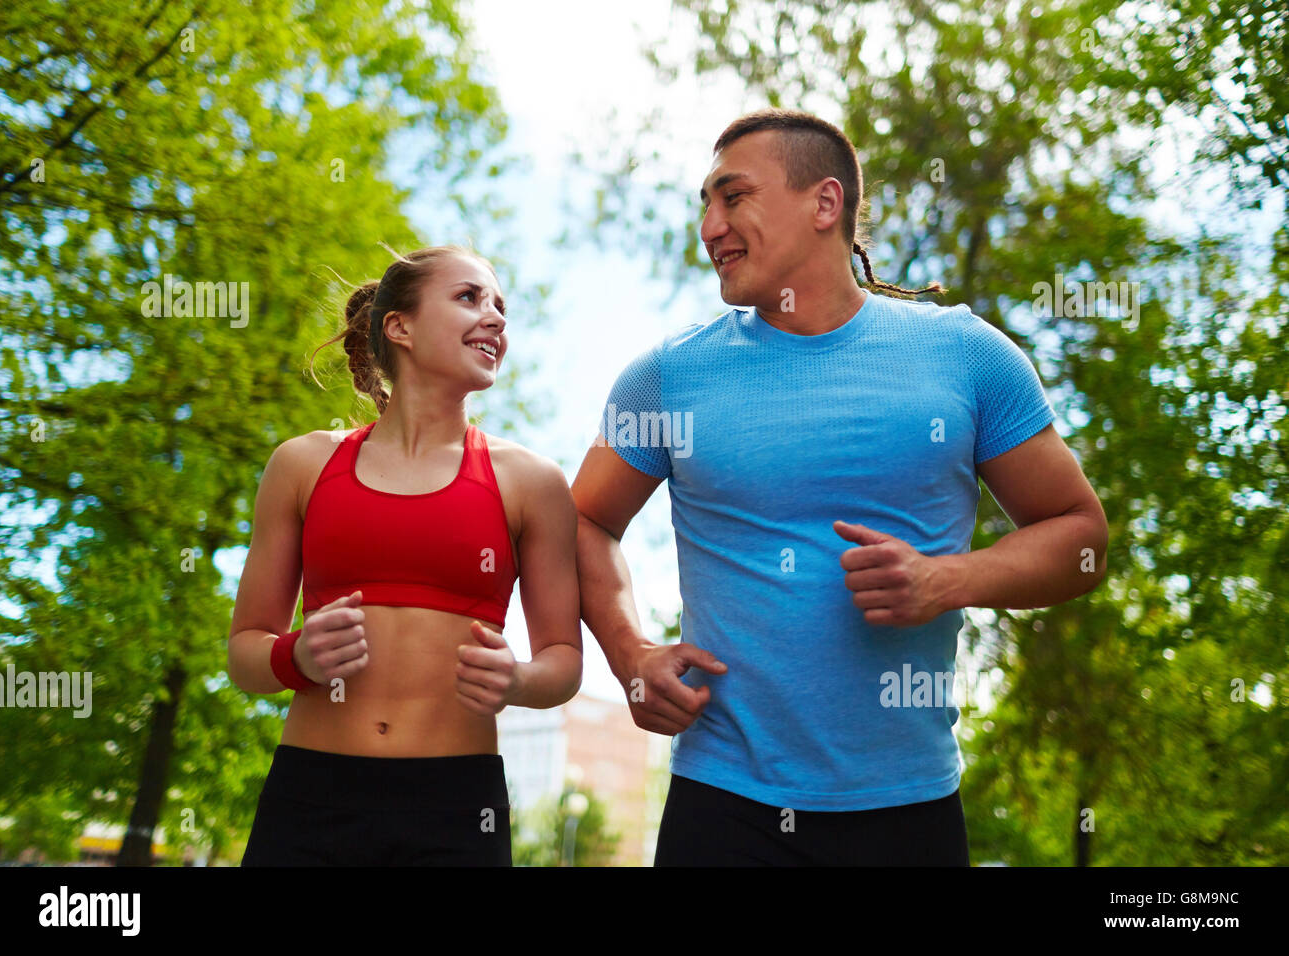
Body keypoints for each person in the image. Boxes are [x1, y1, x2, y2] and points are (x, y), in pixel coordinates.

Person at [572, 109, 1108, 866]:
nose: (710, 226)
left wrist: (946, 580)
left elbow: (1081, 538)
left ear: (825, 204)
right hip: (724, 809)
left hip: (909, 811)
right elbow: (582, 523)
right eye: (704, 203)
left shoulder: (965, 357)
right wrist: (629, 656)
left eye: (734, 197)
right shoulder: (666, 378)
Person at [228, 244, 582, 866]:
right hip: (311, 798)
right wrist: (296, 656)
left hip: (456, 808)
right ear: (400, 327)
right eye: (470, 297)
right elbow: (244, 654)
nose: (497, 318)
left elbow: (564, 663)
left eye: (501, 306)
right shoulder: (302, 465)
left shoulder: (533, 481)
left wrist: (518, 679)